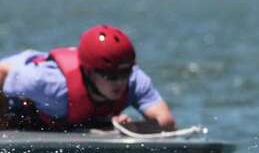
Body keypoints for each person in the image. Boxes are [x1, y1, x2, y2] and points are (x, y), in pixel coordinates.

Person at [0, 24, 175, 132]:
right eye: (110, 75)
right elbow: (2, 72)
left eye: (125, 73)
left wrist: (131, 128)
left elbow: (165, 122)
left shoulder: (135, 81)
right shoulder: (49, 83)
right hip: (17, 99)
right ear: (89, 72)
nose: (120, 82)